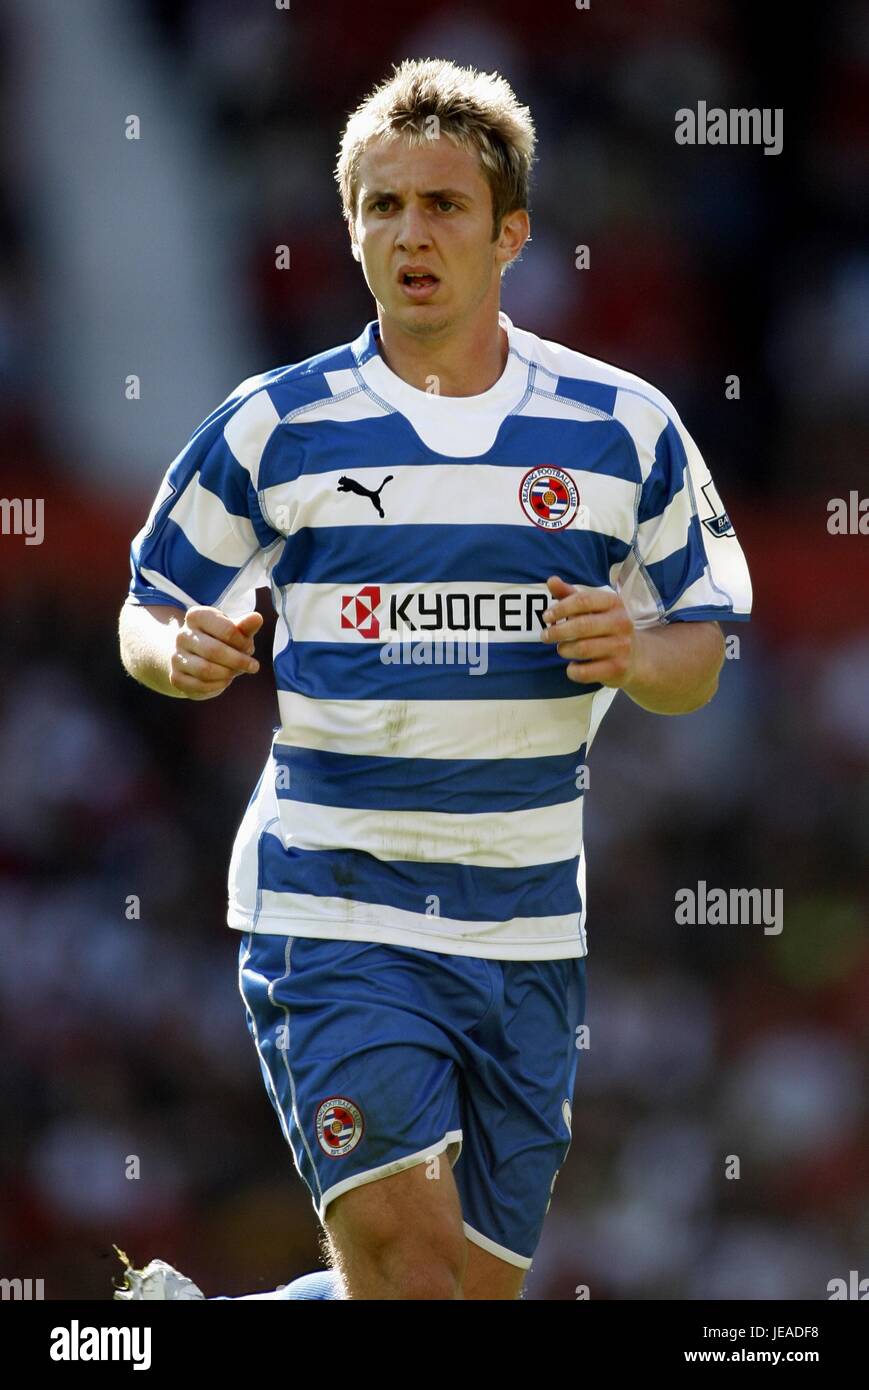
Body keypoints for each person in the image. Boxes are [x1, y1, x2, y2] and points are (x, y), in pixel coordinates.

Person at [114, 57, 752, 1302]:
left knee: (450, 1292)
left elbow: (702, 652)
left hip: (524, 934)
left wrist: (635, 652)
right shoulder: (273, 425)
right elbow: (148, 608)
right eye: (382, 206)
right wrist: (176, 656)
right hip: (335, 908)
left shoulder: (619, 428)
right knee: (406, 1273)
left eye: (445, 206)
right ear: (350, 227)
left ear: (509, 231)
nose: (411, 233)